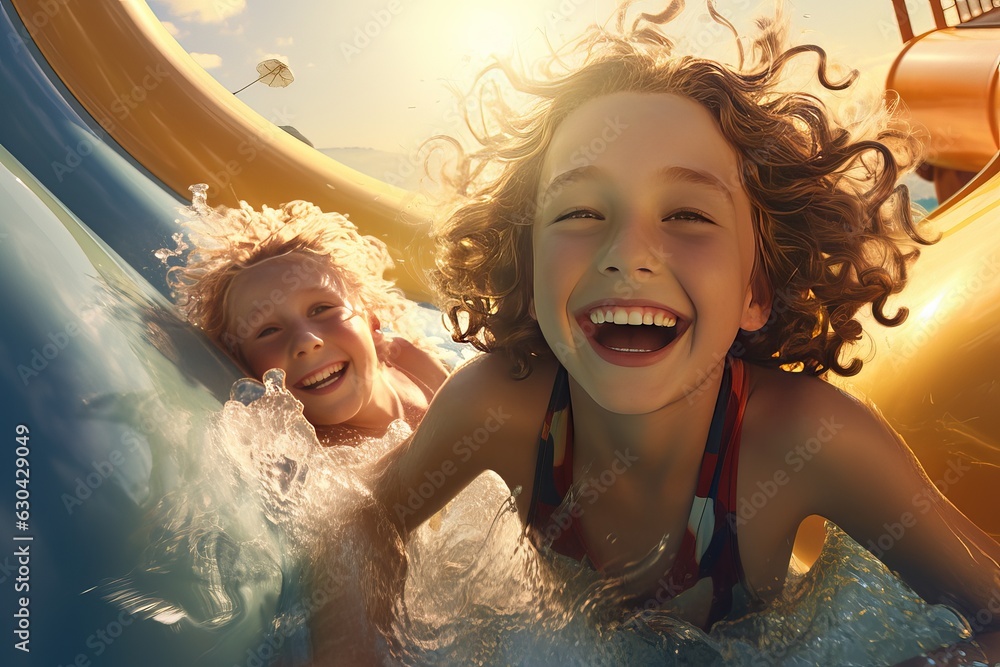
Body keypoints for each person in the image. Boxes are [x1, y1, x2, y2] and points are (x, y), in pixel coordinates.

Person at [325, 8, 1000, 666]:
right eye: (581, 211)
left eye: (687, 214)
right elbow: (361, 517)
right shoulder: (499, 406)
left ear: (755, 290)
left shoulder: (805, 440)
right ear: (528, 273)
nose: (628, 254)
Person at [162, 184, 448, 443]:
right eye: (267, 331)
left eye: (321, 309)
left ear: (372, 321)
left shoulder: (409, 359)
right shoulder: (316, 457)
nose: (306, 341)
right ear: (245, 367)